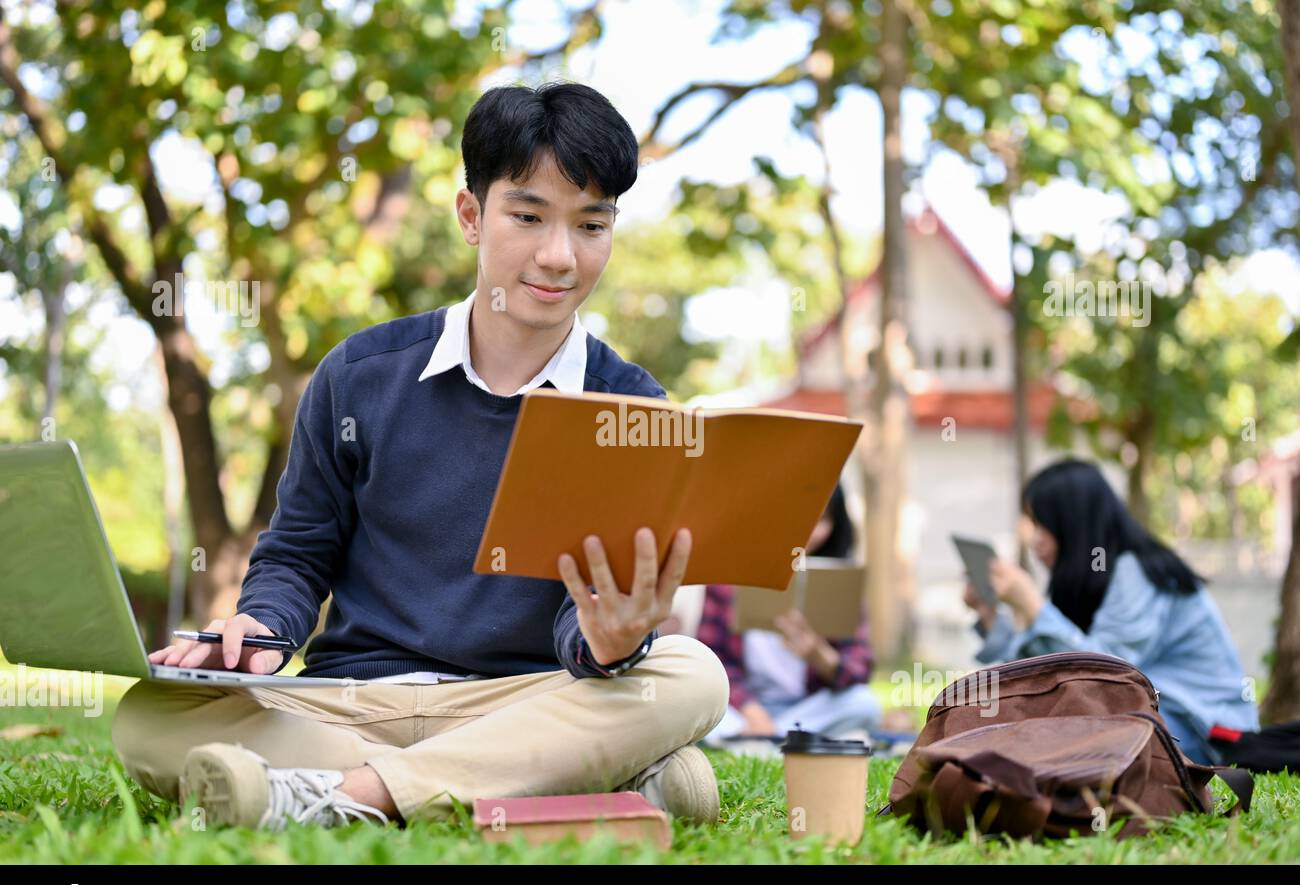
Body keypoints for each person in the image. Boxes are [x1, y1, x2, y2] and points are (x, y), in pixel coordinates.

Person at [111, 82, 729, 831]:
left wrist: (608, 642)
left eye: (591, 225)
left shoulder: (631, 408)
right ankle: (568, 790)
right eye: (528, 216)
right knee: (148, 715)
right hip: (351, 704)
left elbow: (589, 614)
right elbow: (298, 555)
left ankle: (345, 801)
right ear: (472, 216)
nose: (560, 256)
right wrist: (262, 632)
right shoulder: (359, 374)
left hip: (524, 699)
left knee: (692, 675)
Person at [964, 458, 1259, 765]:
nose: (1036, 539)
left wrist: (1032, 605)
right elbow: (1045, 676)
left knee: (1058, 725)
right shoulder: (1093, 579)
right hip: (1158, 719)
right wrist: (991, 614)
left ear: (1073, 522)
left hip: (1209, 734)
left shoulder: (1135, 574)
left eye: (1042, 524)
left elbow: (1105, 678)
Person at [698, 484, 882, 744]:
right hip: (742, 709)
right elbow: (712, 661)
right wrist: (752, 710)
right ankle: (776, 737)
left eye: (821, 520)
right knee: (692, 705)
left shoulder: (840, 584)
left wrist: (821, 657)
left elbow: (860, 668)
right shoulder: (728, 582)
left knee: (864, 704)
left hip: (807, 709)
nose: (807, 532)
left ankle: (758, 740)